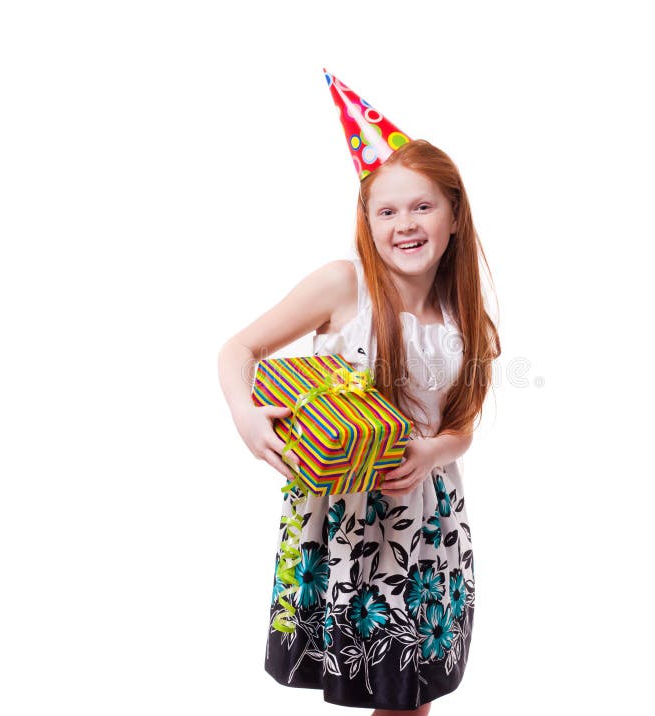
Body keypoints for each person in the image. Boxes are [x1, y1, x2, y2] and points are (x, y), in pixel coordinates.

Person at [217, 71, 500, 714]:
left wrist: (432, 454)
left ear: (454, 215)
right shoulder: (344, 287)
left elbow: (465, 425)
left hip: (426, 519)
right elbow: (237, 350)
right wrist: (246, 416)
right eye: (388, 210)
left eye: (423, 206)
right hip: (345, 517)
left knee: (411, 693)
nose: (405, 223)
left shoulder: (466, 316)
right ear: (367, 220)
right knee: (384, 689)